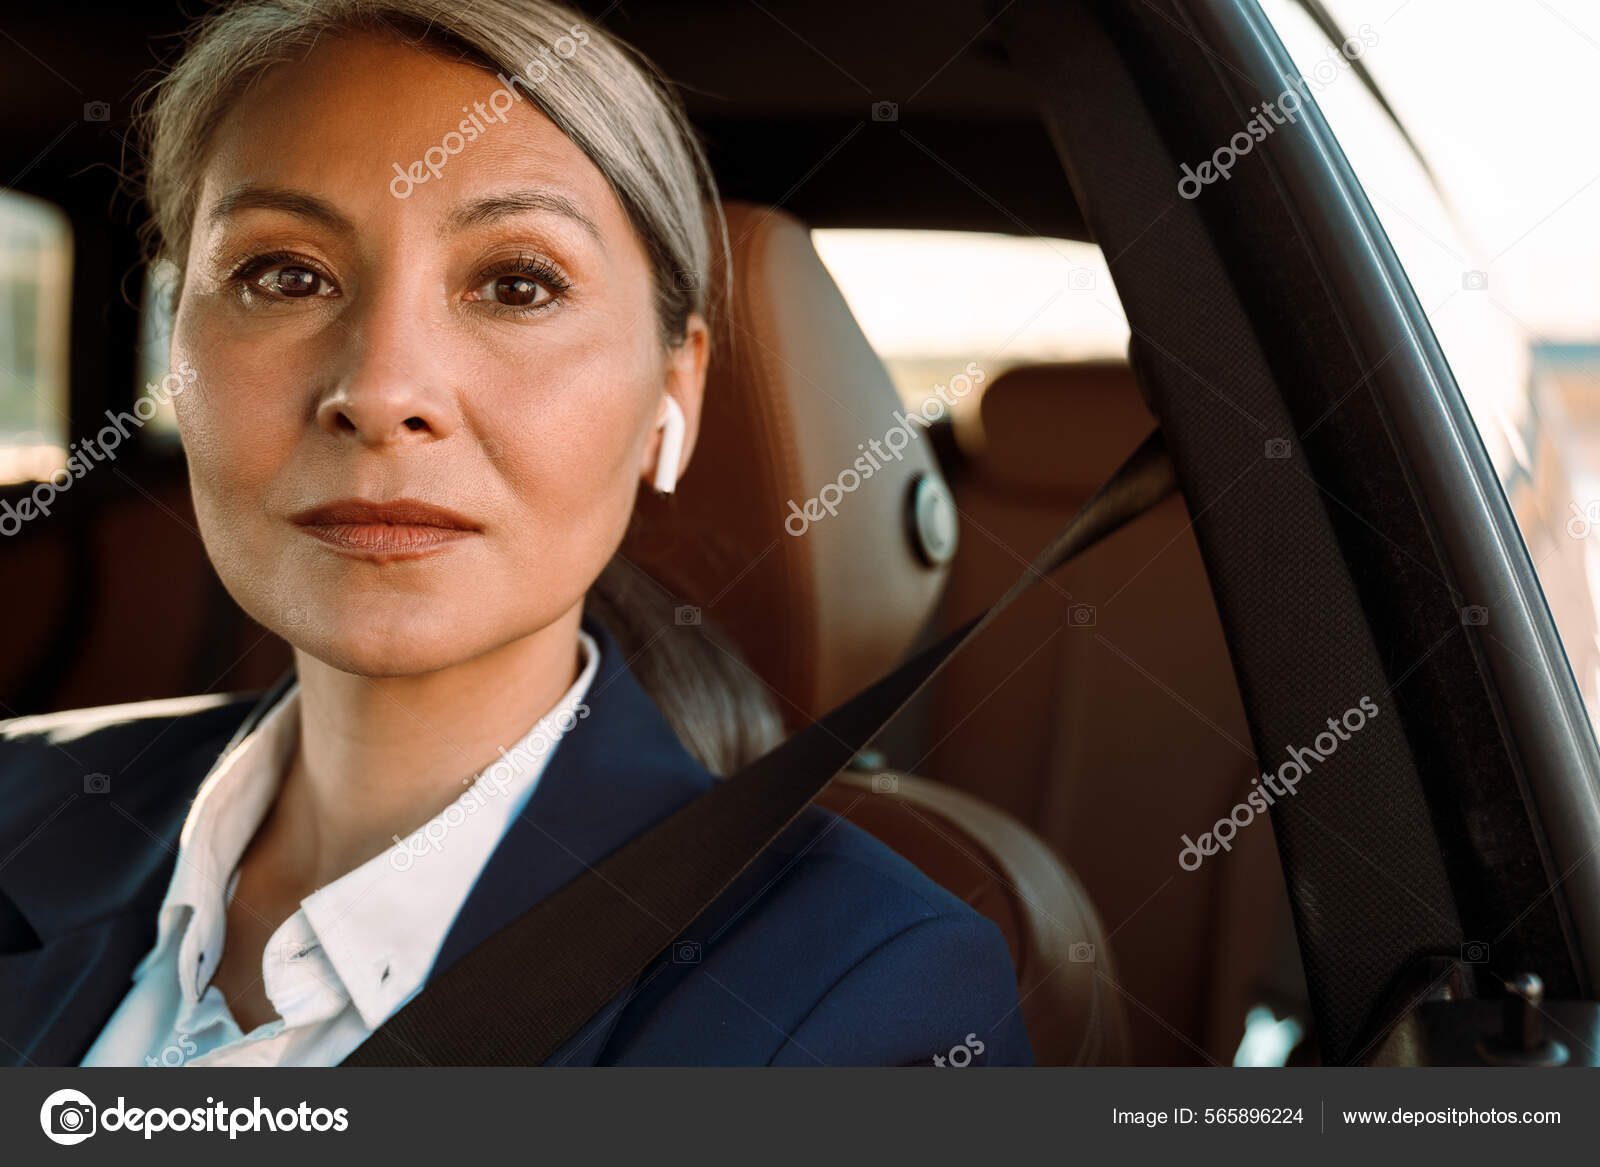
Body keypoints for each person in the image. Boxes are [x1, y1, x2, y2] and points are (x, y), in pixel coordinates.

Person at [0, 0, 1033, 1067]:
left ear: (670, 393)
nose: (382, 389)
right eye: (285, 276)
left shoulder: (864, 998)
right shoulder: (19, 802)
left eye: (515, 284)